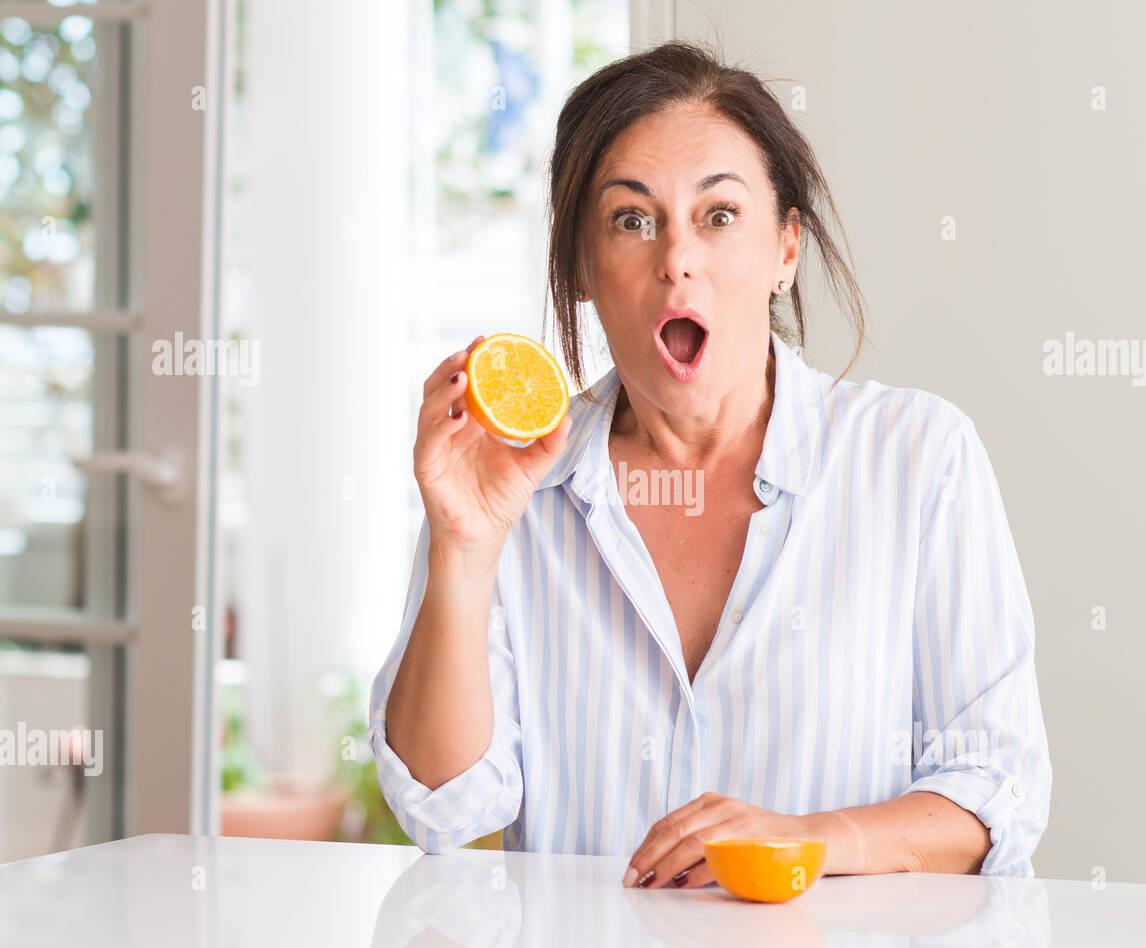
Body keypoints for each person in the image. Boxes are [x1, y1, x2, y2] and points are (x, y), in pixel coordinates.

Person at [370, 41, 1051, 887]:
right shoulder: (515, 485)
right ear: (584, 265)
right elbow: (443, 806)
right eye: (632, 219)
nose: (676, 259)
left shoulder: (918, 458)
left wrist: (806, 841)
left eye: (719, 216)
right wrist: (464, 550)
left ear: (785, 249)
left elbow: (998, 788)